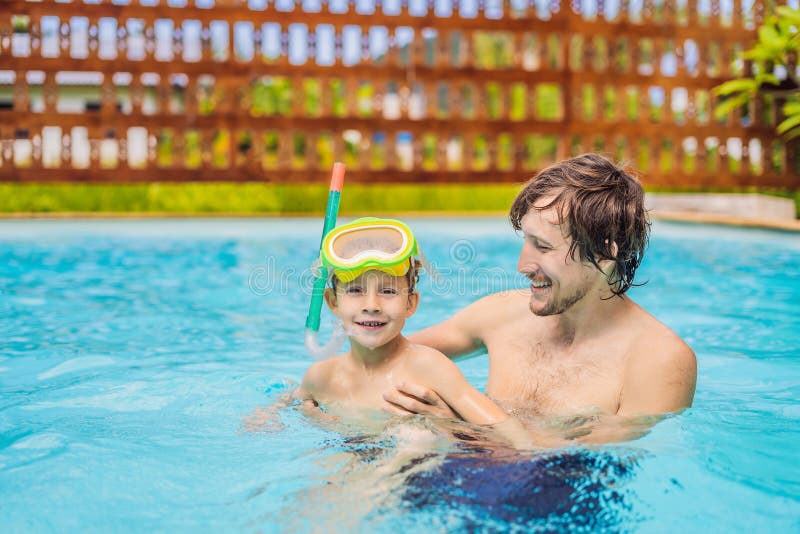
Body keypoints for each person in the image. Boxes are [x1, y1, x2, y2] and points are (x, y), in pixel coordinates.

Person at [382, 154, 697, 443]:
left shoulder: (659, 361)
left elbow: (592, 460)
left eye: (543, 247)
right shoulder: (503, 313)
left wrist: (459, 425)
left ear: (604, 255)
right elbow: (388, 356)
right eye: (526, 241)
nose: (522, 266)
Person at [294, 217, 533, 447]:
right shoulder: (321, 377)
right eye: (355, 290)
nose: (371, 305)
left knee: (414, 436)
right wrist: (307, 415)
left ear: (411, 303)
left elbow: (503, 426)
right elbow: (290, 404)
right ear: (332, 302)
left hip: (417, 473)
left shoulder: (427, 366)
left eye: (388, 292)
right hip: (349, 463)